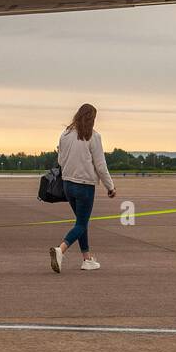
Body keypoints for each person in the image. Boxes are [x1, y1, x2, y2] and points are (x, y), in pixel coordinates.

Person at [49, 103, 116, 274]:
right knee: (81, 223)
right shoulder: (93, 137)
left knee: (81, 223)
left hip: (67, 185)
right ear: (92, 119)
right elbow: (100, 165)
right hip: (85, 187)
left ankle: (87, 259)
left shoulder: (65, 134)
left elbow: (60, 160)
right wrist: (110, 186)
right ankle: (60, 250)